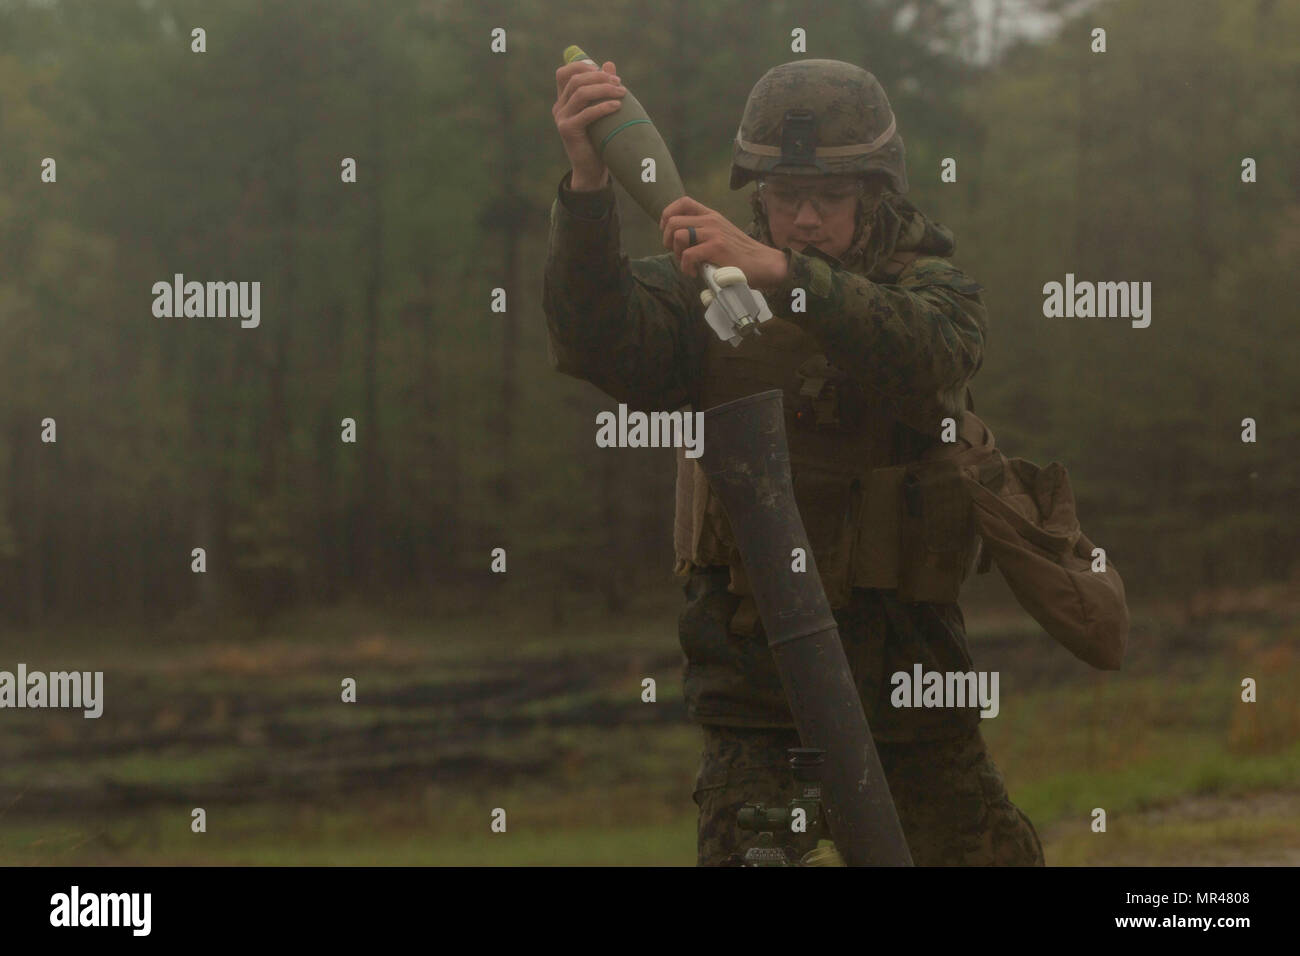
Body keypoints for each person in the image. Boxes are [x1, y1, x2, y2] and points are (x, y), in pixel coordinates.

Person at [544, 57, 1044, 866]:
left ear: (877, 195)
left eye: (830, 200)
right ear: (757, 195)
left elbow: (936, 353)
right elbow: (594, 340)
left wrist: (785, 276)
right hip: (757, 691)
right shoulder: (703, 294)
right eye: (784, 199)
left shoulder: (931, 288)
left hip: (909, 687)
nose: (804, 219)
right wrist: (589, 187)